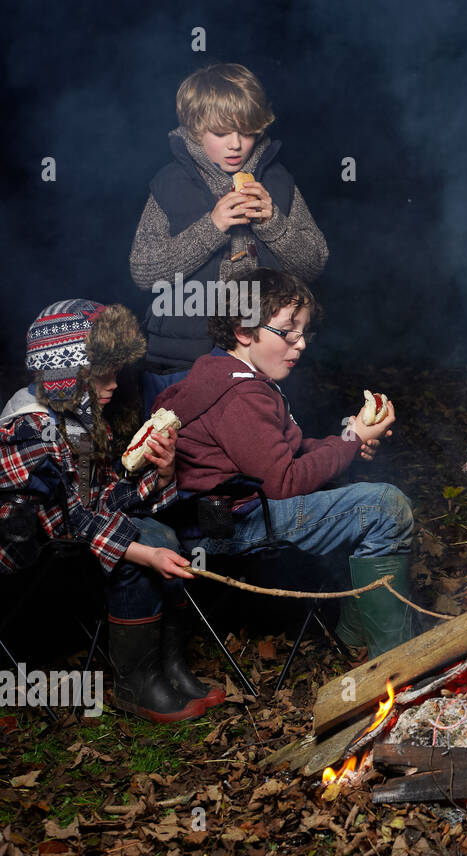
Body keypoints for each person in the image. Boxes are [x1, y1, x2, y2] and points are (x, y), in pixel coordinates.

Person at [154, 270, 415, 657]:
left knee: (367, 500)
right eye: (288, 332)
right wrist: (353, 440)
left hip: (233, 509)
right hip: (229, 524)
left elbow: (281, 453)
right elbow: (282, 482)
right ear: (244, 330)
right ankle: (398, 659)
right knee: (385, 508)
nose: (301, 344)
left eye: (305, 333)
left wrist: (348, 442)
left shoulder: (221, 371)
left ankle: (355, 638)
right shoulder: (240, 393)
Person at [1, 300, 219, 722]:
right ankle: (136, 686)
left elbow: (96, 501)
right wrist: (144, 553)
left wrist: (159, 474)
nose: (116, 384)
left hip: (67, 535)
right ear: (68, 375)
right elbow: (66, 522)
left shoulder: (78, 420)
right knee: (151, 543)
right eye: (105, 372)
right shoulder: (29, 428)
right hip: (24, 549)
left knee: (158, 534)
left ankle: (168, 666)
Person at [130, 63, 328, 410]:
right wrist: (212, 227)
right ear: (194, 128)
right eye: (221, 133)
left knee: (259, 457)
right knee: (175, 457)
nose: (236, 145)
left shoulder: (279, 181)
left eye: (247, 132)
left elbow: (314, 264)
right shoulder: (170, 183)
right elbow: (144, 272)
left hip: (259, 359)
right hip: (181, 361)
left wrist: (273, 224)